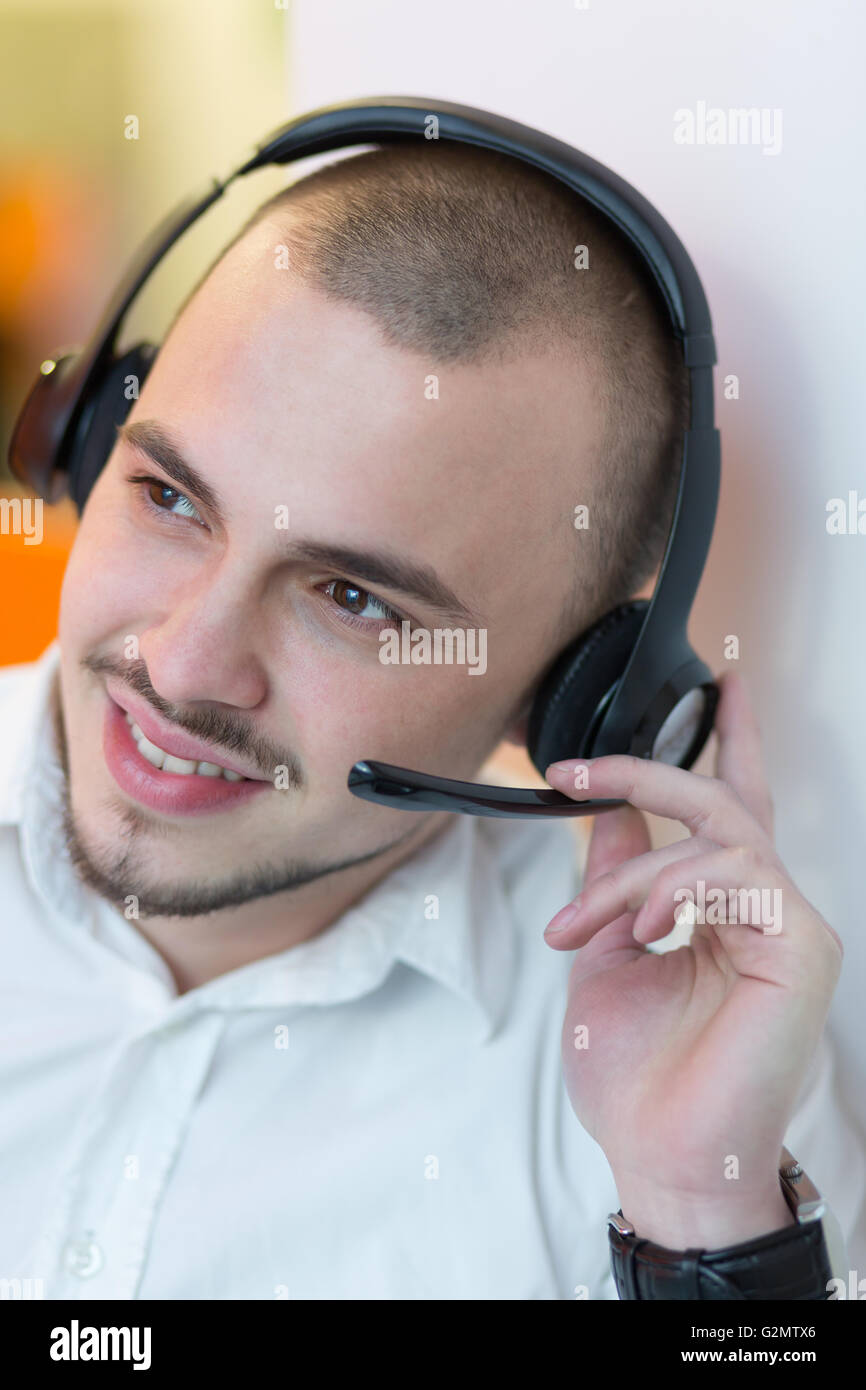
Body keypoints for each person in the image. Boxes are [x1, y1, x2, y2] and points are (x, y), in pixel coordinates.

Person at [1, 140, 863, 1299]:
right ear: (79, 448)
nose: (183, 663)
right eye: (167, 497)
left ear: (574, 704)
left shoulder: (693, 1079)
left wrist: (700, 1217)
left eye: (352, 598)